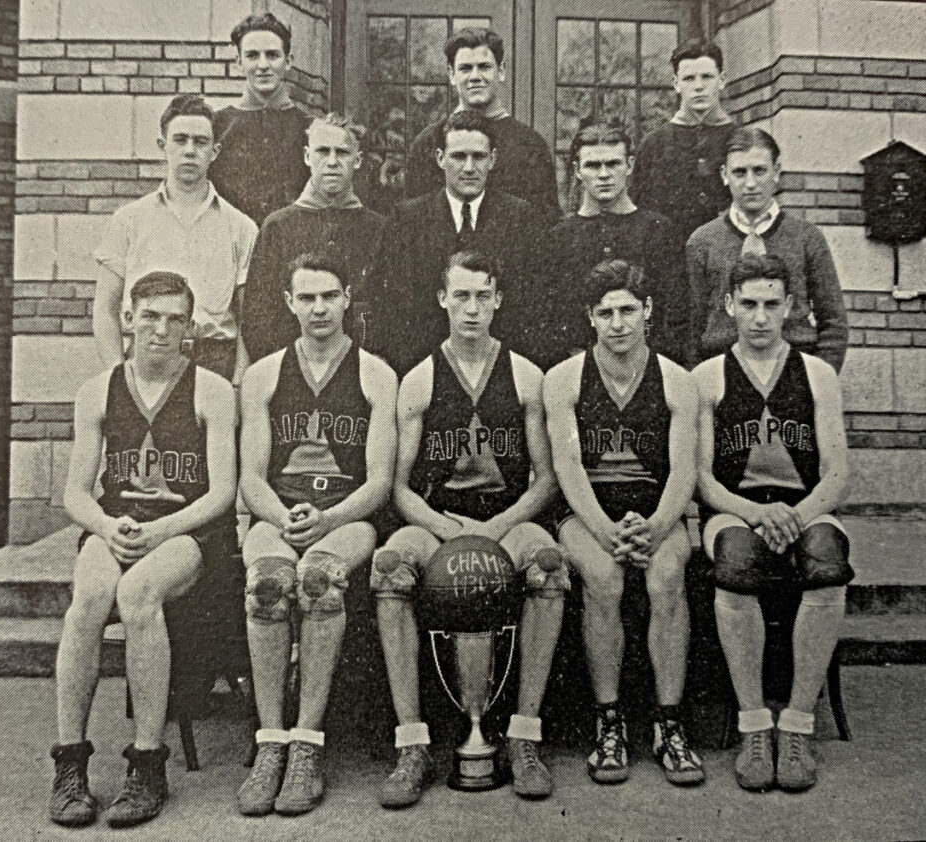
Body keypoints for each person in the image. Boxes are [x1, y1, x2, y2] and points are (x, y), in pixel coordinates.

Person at [370, 251, 568, 807]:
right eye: (462, 296)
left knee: (550, 568)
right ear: (443, 299)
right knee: (388, 570)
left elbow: (548, 479)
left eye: (483, 295)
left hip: (509, 519)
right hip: (437, 521)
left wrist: (500, 526)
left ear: (498, 299)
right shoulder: (419, 379)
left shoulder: (527, 376)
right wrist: (445, 528)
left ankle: (524, 735)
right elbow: (399, 486)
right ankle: (412, 742)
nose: (473, 308)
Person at [51, 272, 237, 828]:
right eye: (150, 316)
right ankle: (70, 763)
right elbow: (75, 494)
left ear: (190, 327)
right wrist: (106, 528)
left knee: (137, 592)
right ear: (128, 319)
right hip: (117, 524)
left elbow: (224, 493)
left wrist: (162, 531)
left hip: (189, 531)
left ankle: (147, 763)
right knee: (89, 594)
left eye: (175, 318)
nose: (161, 329)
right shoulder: (98, 389)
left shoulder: (212, 389)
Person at [235, 254, 397, 816]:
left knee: (319, 581)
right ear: (288, 302)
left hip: (346, 517)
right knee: (268, 585)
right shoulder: (263, 375)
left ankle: (307, 743)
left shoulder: (376, 373)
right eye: (307, 298)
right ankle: (269, 741)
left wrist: (326, 521)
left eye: (329, 295)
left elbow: (379, 482)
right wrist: (282, 518)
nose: (319, 308)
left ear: (348, 297)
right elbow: (250, 478)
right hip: (277, 514)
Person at [693, 253, 852, 792]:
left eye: (771, 304)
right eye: (748, 304)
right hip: (734, 509)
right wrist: (757, 514)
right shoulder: (707, 376)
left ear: (791, 307)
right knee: (736, 566)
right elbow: (702, 480)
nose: (759, 317)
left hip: (805, 507)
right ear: (729, 306)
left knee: (828, 564)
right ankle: (755, 723)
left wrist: (793, 516)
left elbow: (837, 475)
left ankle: (799, 723)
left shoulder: (818, 374)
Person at [544, 259, 704, 787]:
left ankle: (668, 722)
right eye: (606, 312)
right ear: (590, 316)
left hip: (658, 510)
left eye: (628, 311)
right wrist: (607, 531)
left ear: (648, 311)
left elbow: (684, 469)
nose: (618, 323)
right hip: (587, 514)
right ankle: (608, 721)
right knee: (605, 579)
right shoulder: (564, 379)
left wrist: (655, 528)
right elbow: (567, 467)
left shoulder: (678, 382)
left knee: (664, 579)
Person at [93, 94, 258, 384]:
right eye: (180, 140)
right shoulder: (128, 220)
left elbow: (249, 319)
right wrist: (117, 377)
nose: (190, 151)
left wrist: (238, 383)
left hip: (215, 361)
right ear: (163, 146)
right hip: (146, 357)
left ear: (215, 151)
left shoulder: (241, 227)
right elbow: (105, 309)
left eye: (201, 142)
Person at [366, 109, 545, 376]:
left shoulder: (521, 218)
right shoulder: (407, 219)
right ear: (440, 158)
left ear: (493, 159)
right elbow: (389, 301)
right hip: (422, 369)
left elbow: (531, 304)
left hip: (501, 371)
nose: (469, 168)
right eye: (459, 156)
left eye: (479, 157)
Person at [688, 127, 848, 371]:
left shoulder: (807, 238)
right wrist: (700, 382)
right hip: (722, 370)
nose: (750, 183)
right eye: (740, 172)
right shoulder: (702, 241)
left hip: (794, 368)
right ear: (724, 175)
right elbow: (691, 325)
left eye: (759, 171)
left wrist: (817, 378)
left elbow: (834, 321)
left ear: (776, 172)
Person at [241, 113, 388, 360]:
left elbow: (391, 311)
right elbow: (258, 317)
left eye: (342, 153)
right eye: (323, 152)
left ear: (358, 160)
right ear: (307, 156)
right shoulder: (277, 227)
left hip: (361, 371)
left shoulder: (380, 229)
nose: (332, 162)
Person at [538, 120, 675, 369]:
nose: (604, 174)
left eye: (613, 163)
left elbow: (674, 313)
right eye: (593, 165)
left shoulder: (657, 230)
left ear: (629, 165)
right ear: (578, 170)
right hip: (579, 369)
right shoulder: (559, 237)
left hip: (647, 368)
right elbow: (552, 319)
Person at [404, 28, 560, 224]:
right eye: (465, 68)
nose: (475, 76)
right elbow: (413, 222)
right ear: (451, 74)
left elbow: (546, 223)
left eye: (484, 67)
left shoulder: (530, 145)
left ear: (501, 71)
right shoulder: (428, 142)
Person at [209, 13, 312, 226]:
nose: (263, 65)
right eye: (252, 55)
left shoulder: (310, 128)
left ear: (289, 61)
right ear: (239, 61)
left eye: (273, 55)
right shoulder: (216, 125)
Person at [629, 39, 734, 249]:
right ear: (676, 83)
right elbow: (637, 212)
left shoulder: (741, 140)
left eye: (707, 77)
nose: (699, 86)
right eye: (689, 78)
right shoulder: (654, 145)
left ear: (721, 80)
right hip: (668, 263)